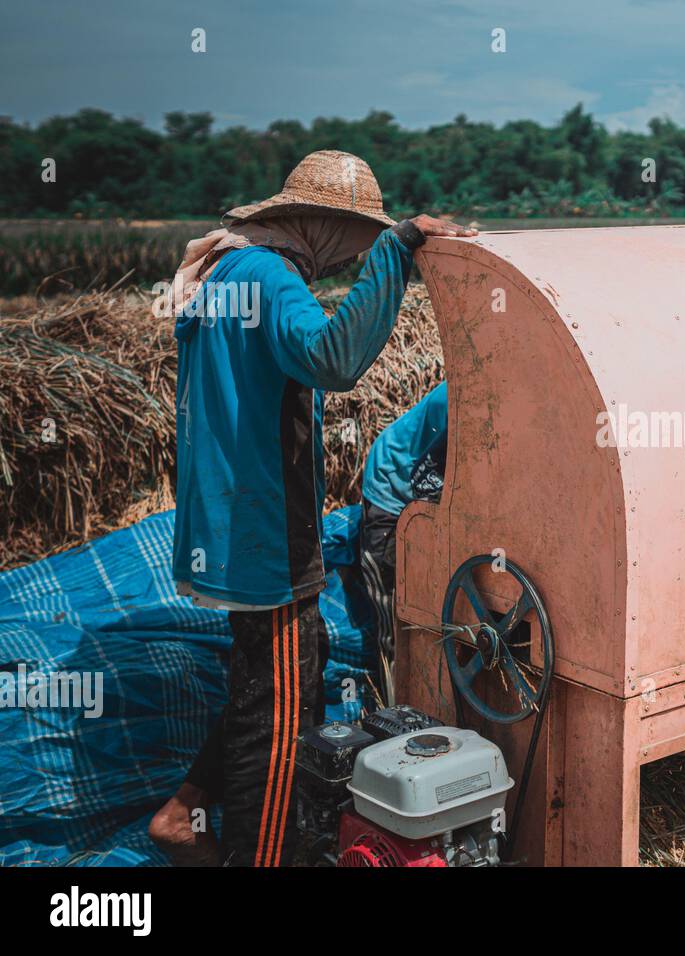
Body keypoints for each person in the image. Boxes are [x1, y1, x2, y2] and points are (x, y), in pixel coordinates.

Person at [147, 150, 475, 867]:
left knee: (279, 674)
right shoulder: (268, 276)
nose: (348, 258)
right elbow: (333, 358)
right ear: (326, 226)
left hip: (231, 522)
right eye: (356, 241)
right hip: (263, 527)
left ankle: (183, 815)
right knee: (281, 719)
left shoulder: (229, 271)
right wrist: (393, 255)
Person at [357, 382, 449, 705]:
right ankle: (392, 711)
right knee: (395, 621)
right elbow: (425, 480)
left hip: (417, 475)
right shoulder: (464, 406)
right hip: (391, 491)